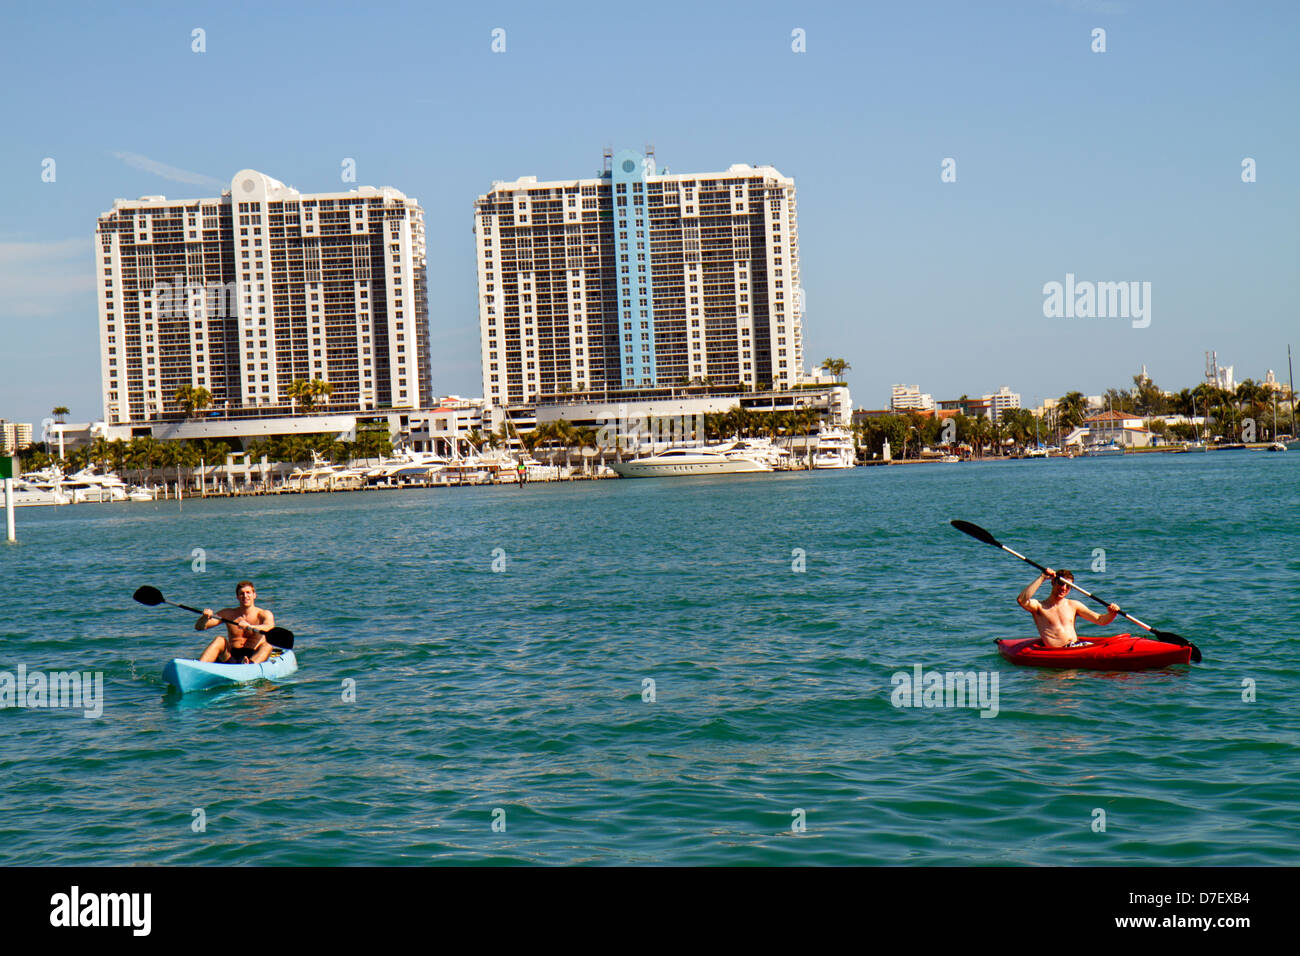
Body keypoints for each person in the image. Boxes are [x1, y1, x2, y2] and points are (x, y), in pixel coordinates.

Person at [1017, 568, 1120, 649]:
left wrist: (1112, 613)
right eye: (1061, 583)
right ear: (1053, 582)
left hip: (1077, 646)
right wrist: (1042, 577)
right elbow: (1022, 600)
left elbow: (1100, 620)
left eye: (1068, 586)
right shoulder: (1039, 606)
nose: (1064, 588)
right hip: (1060, 652)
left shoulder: (1073, 605)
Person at [196, 581, 275, 663]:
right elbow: (199, 627)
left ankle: (249, 665)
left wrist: (251, 627)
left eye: (248, 593)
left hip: (252, 656)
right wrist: (205, 618)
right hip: (231, 656)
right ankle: (199, 667)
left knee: (267, 645)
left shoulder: (264, 614)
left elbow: (269, 627)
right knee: (219, 639)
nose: (245, 596)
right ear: (237, 597)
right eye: (242, 593)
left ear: (254, 595)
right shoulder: (228, 613)